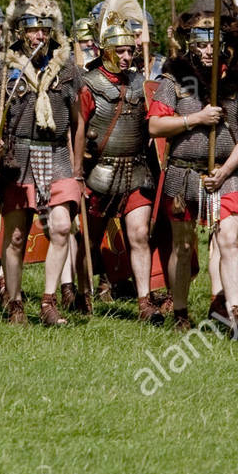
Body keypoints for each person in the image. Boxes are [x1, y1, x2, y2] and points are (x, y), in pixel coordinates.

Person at [147, 13, 238, 334]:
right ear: (190, 43)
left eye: (214, 42)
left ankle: (233, 311)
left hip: (224, 175)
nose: (208, 49)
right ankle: (181, 312)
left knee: (229, 241)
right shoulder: (174, 81)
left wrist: (226, 171)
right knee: (183, 247)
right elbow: (155, 125)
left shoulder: (237, 81)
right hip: (183, 177)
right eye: (201, 42)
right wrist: (196, 119)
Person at [0, 0, 79, 326]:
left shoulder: (67, 67)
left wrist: (77, 168)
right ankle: (15, 303)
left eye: (44, 30)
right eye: (32, 30)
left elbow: (78, 119)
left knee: (61, 227)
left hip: (58, 155)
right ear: (20, 32)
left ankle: (48, 302)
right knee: (16, 237)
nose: (39, 36)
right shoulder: (6, 69)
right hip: (20, 158)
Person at [74, 16, 156, 320]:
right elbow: (78, 128)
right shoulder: (89, 84)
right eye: (120, 51)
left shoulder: (140, 83)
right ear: (105, 50)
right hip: (100, 172)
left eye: (130, 51)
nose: (126, 56)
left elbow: (152, 124)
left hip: (136, 169)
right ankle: (82, 293)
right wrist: (77, 166)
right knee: (89, 240)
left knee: (138, 236)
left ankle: (144, 301)